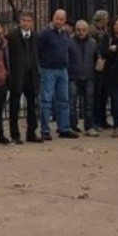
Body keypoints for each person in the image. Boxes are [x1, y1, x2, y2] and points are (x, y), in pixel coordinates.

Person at [37, 9, 79, 140]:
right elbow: (37, 50)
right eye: (57, 18)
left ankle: (64, 128)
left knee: (64, 100)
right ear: (53, 18)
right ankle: (45, 129)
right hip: (48, 69)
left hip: (62, 69)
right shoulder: (44, 33)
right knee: (46, 100)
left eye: (62, 19)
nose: (59, 21)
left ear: (65, 20)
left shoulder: (65, 34)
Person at [7, 13, 41, 144]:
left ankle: (31, 132)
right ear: (19, 22)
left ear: (32, 23)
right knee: (14, 105)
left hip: (31, 74)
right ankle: (14, 134)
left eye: (28, 21)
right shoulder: (12, 36)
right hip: (17, 74)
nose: (26, 23)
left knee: (32, 105)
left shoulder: (35, 37)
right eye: (23, 20)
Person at [68, 20, 99, 136]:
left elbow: (96, 58)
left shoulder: (93, 43)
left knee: (89, 103)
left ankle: (89, 126)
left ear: (87, 31)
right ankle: (72, 125)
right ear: (75, 30)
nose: (81, 32)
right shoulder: (69, 42)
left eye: (83, 30)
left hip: (89, 76)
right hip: (73, 76)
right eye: (78, 30)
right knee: (71, 103)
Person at [90, 9, 110, 129]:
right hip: (97, 64)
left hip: (104, 64)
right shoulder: (93, 30)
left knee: (103, 94)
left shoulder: (103, 30)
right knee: (97, 94)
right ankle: (96, 120)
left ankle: (102, 118)